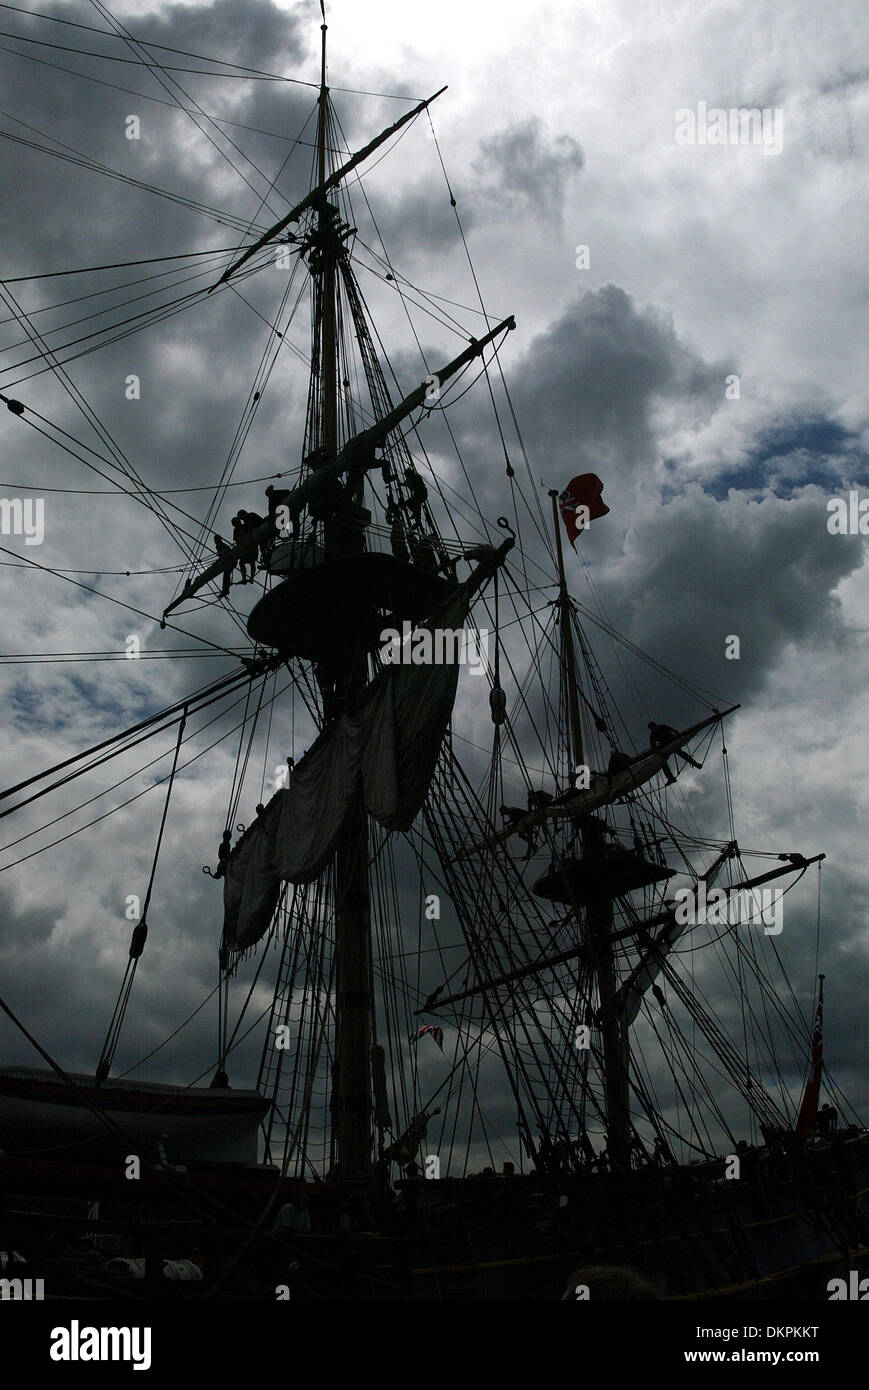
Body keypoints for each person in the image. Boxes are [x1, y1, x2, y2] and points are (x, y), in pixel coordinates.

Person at [231, 514, 255, 583]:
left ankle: (251, 578)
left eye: (236, 522)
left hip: (250, 546)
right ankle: (244, 578)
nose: (236, 524)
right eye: (234, 523)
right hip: (243, 548)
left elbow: (251, 532)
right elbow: (236, 540)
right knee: (242, 563)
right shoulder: (236, 530)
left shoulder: (245, 526)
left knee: (252, 562)